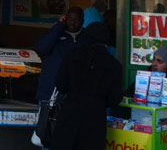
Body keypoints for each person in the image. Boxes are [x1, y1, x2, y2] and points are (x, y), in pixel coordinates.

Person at [51, 22, 123, 150]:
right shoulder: (114, 65)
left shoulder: (73, 56)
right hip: (95, 118)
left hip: (69, 114)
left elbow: (61, 84)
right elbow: (115, 98)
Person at [37, 7, 84, 106]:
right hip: (49, 93)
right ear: (65, 18)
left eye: (76, 20)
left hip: (74, 96)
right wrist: (59, 26)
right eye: (70, 19)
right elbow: (42, 48)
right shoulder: (56, 33)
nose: (72, 22)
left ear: (82, 22)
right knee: (46, 121)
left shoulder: (85, 38)